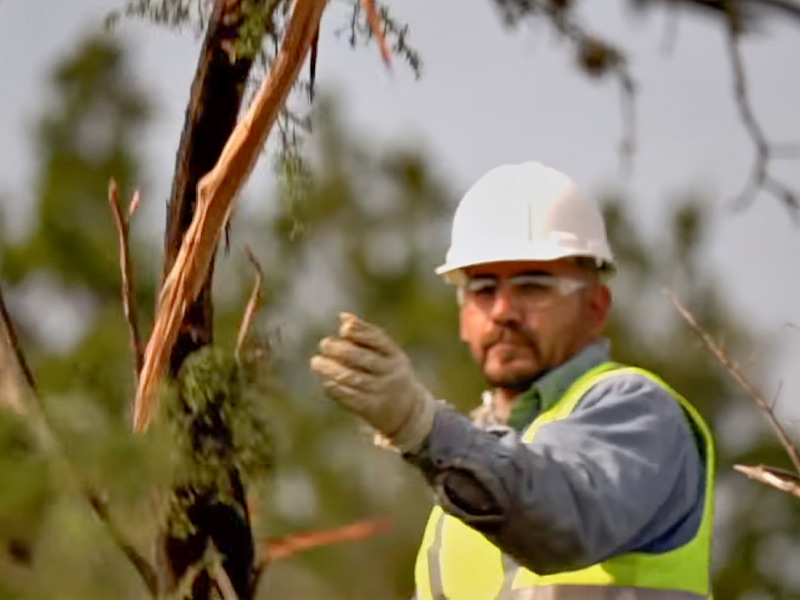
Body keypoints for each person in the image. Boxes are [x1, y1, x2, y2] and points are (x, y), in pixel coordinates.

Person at [310, 161, 715, 599]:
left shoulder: (638, 411)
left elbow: (564, 521)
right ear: (463, 316)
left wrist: (420, 426)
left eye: (533, 286)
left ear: (596, 306)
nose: (503, 311)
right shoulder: (461, 465)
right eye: (483, 290)